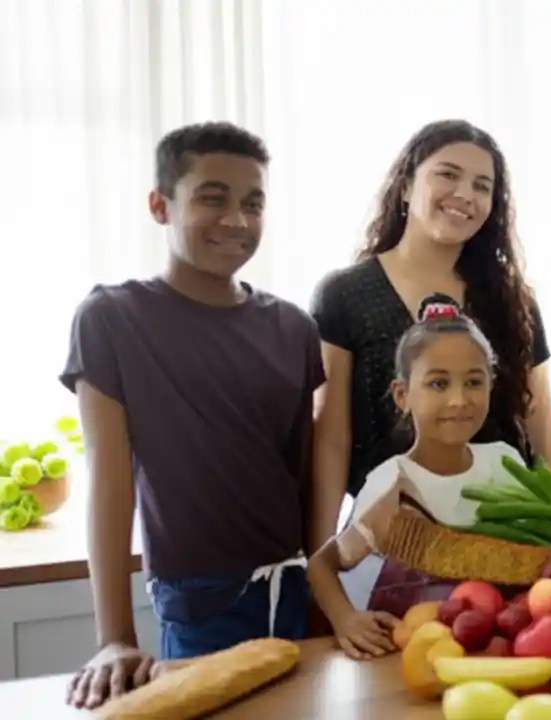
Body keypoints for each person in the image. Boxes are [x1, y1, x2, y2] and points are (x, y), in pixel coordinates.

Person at [61, 123, 325, 709]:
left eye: (253, 204)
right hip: (199, 601)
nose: (237, 220)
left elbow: (304, 480)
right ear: (161, 205)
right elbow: (109, 483)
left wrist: (327, 594)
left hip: (300, 589)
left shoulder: (293, 328)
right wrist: (114, 640)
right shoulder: (111, 318)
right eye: (213, 198)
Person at [308, 295, 523, 660]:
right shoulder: (393, 484)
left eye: (474, 382)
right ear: (402, 395)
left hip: (488, 654)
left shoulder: (505, 464)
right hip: (401, 659)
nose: (459, 400)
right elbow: (321, 565)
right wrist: (347, 621)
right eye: (438, 384)